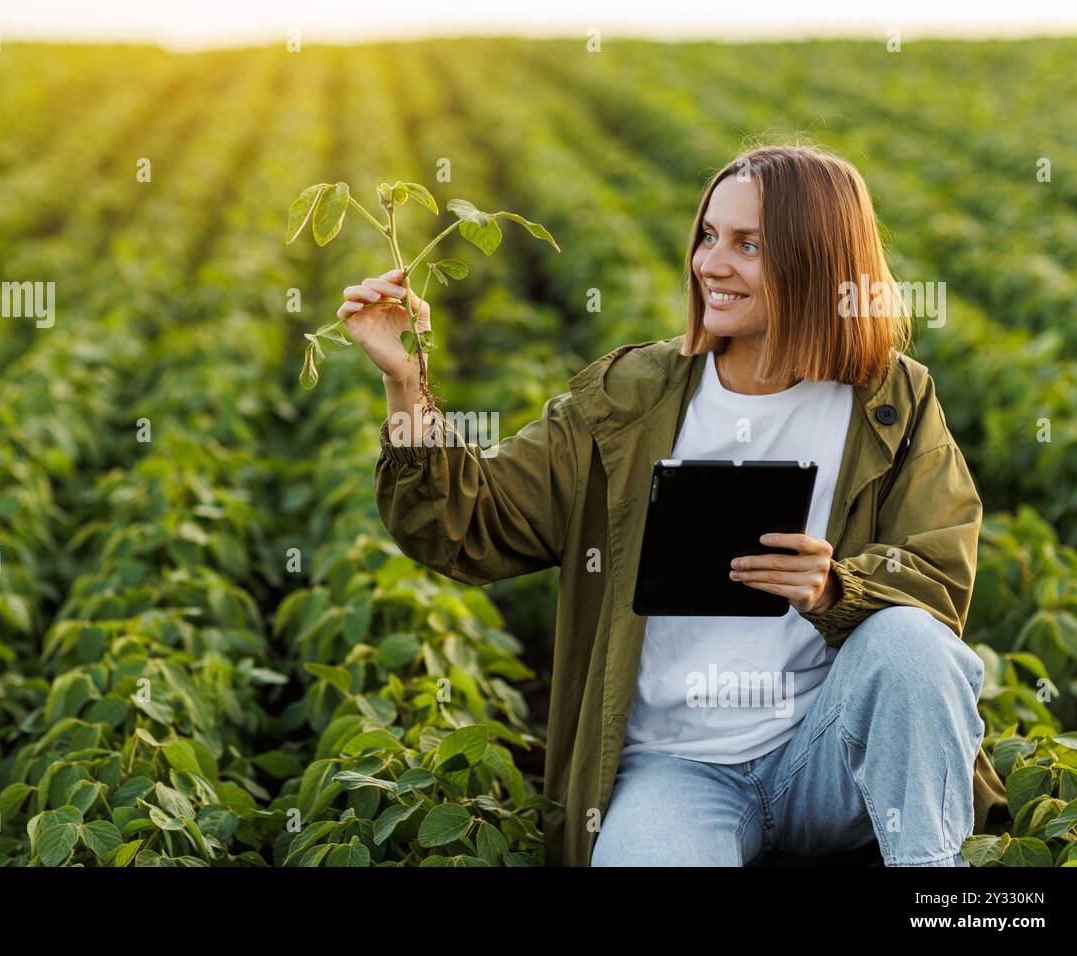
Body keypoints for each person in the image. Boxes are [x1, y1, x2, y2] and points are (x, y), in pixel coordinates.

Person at [339, 144, 1008, 866]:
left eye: (748, 244)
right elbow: (469, 526)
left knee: (910, 644)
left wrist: (835, 588)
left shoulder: (891, 400)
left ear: (818, 257)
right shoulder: (634, 395)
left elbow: (936, 577)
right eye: (709, 236)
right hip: (677, 769)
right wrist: (408, 387)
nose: (711, 264)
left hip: (825, 749)